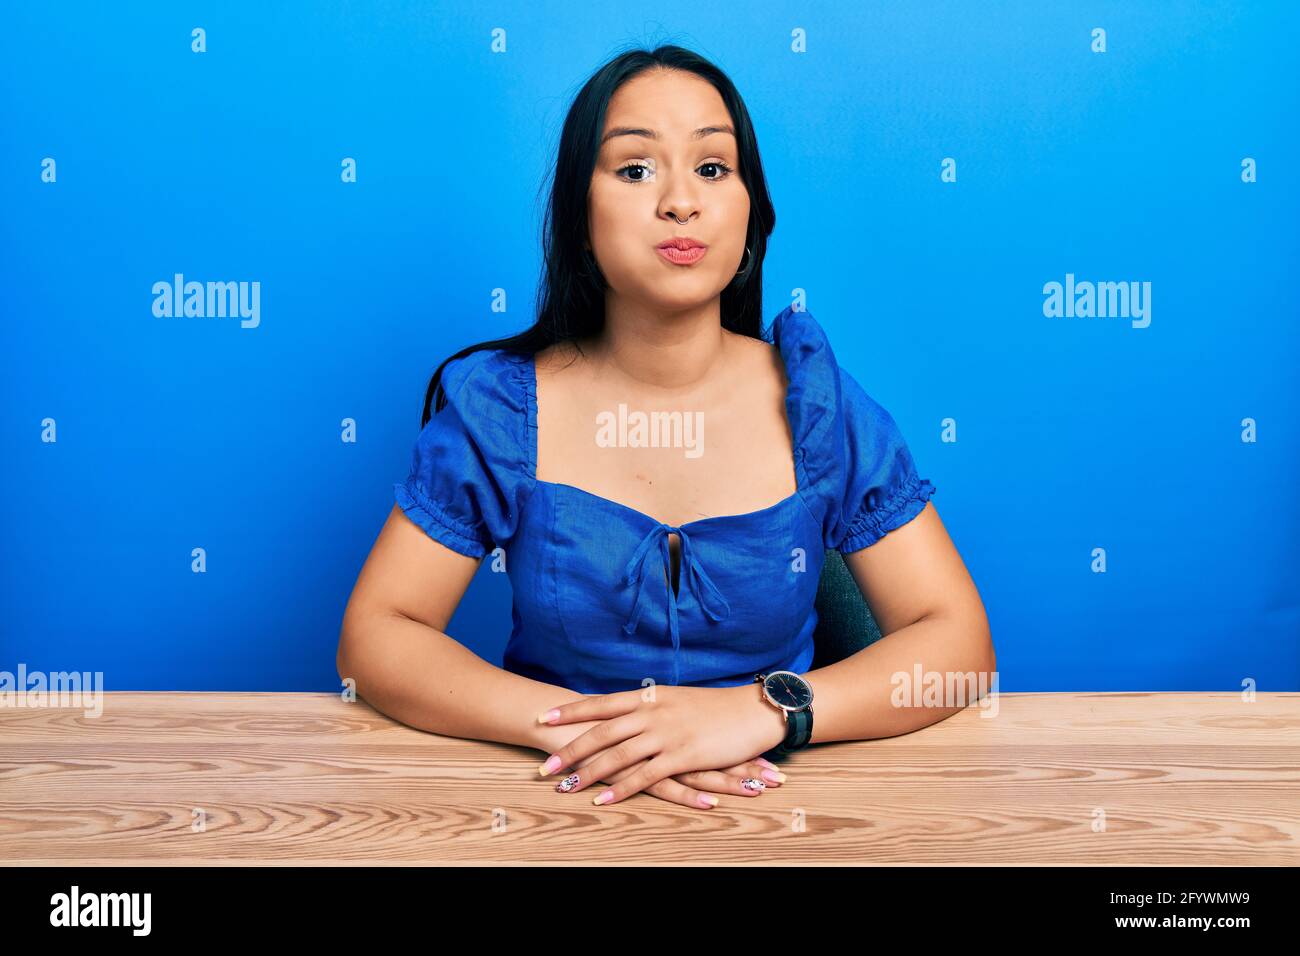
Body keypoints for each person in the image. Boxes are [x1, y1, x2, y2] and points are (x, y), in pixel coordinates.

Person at [337, 44, 993, 812]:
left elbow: (959, 648)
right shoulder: (503, 411)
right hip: (562, 805)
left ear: (752, 213)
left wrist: (762, 714)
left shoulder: (818, 403)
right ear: (579, 220)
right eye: (635, 169)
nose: (681, 202)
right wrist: (594, 733)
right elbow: (376, 636)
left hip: (778, 808)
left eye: (713, 169)